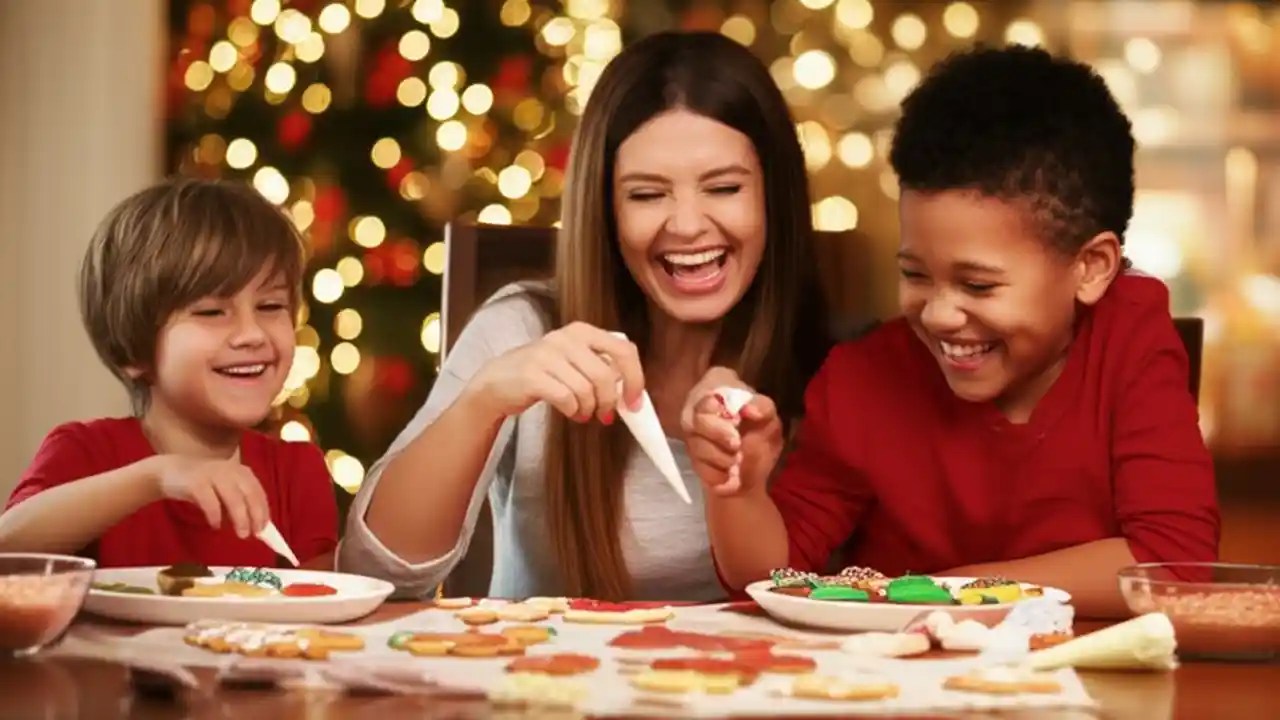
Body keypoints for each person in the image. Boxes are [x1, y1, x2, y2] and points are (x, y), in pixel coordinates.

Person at [698, 45, 1219, 618]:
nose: (940, 314)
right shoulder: (865, 379)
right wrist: (741, 492)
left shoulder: (1129, 339)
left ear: (1090, 268)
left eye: (978, 285)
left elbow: (1174, 568)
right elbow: (771, 580)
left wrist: (948, 595)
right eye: (915, 274)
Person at [338, 31, 830, 601]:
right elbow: (376, 577)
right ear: (606, 210)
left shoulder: (833, 370)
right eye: (647, 195)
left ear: (774, 197)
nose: (688, 224)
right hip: (545, 686)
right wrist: (486, 399)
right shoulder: (522, 328)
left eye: (723, 188)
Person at [0, 178, 338, 569]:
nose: (252, 334)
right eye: (211, 312)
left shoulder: (295, 471)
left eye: (271, 306)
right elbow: (7, 549)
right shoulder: (86, 452)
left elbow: (322, 603)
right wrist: (156, 478)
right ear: (135, 349)